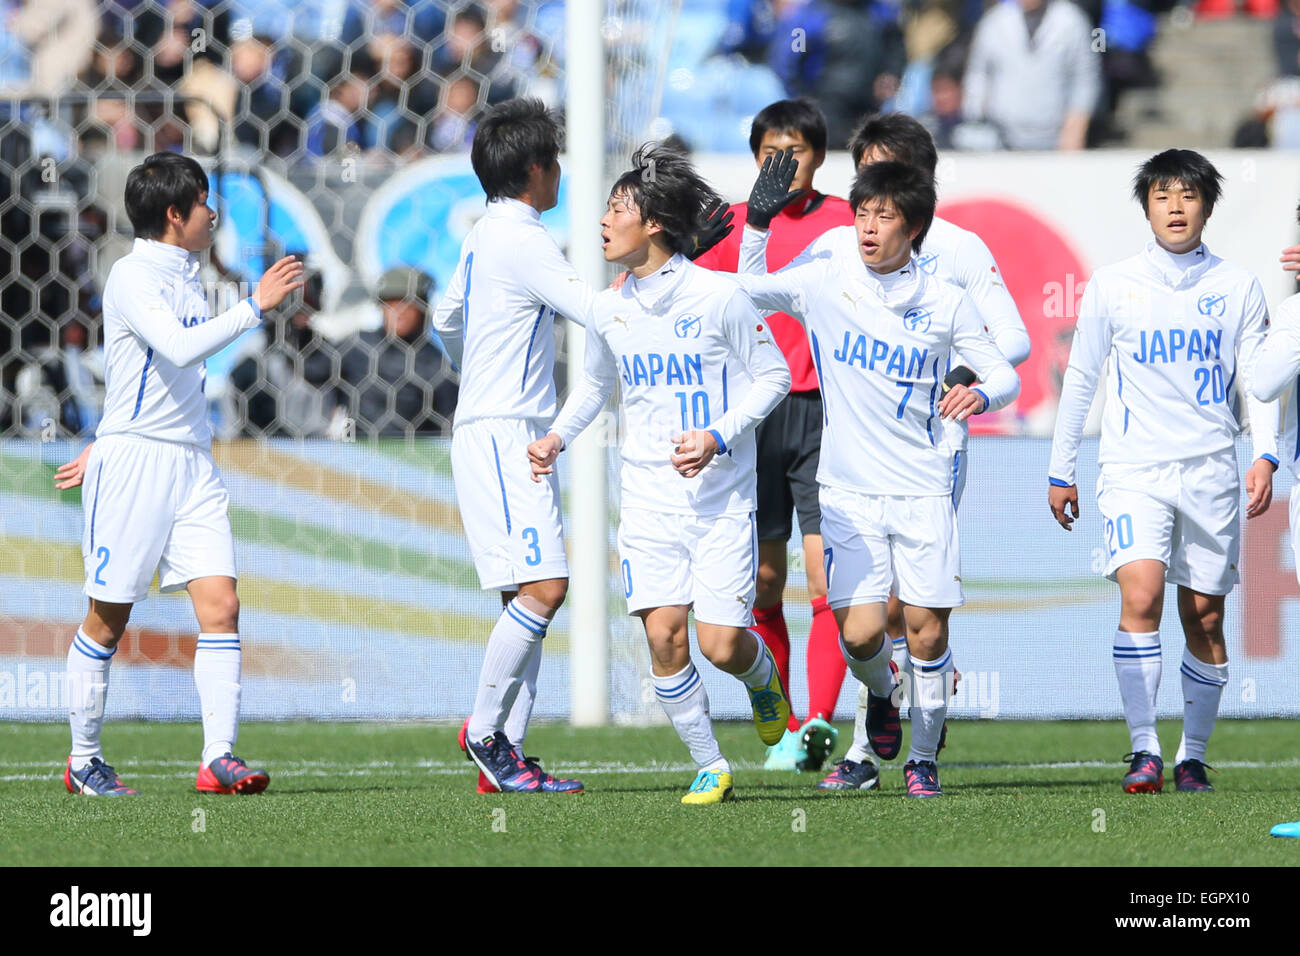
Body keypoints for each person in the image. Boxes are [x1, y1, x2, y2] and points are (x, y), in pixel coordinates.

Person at [738, 113, 1030, 791]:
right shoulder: (831, 261)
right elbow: (750, 288)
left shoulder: (951, 281)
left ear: (915, 214)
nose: (867, 220)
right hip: (846, 486)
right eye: (862, 201)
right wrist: (756, 224)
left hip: (925, 477)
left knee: (921, 625)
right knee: (865, 631)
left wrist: (976, 389)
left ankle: (916, 759)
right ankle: (884, 702)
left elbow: (1008, 360)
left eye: (883, 208)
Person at [527, 144, 792, 804]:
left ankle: (761, 680)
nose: (603, 221)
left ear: (655, 223)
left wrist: (717, 436)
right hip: (646, 497)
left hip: (721, 500)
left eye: (618, 207)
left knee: (723, 644)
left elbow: (776, 376)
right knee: (664, 636)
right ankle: (711, 765)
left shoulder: (719, 297)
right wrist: (557, 437)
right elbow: (594, 385)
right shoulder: (607, 309)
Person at [52, 151, 304, 796]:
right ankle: (83, 761)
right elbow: (181, 348)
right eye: (203, 202)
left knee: (221, 605)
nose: (212, 212)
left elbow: (151, 377)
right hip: (136, 465)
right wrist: (257, 304)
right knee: (107, 618)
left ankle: (218, 757)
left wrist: (109, 433)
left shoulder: (187, 274)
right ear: (174, 214)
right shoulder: (134, 276)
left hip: (191, 461)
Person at [1048, 149, 1278, 794]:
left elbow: (1259, 384)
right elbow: (1082, 379)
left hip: (1211, 469)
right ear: (1145, 205)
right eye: (1162, 196)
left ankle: (1192, 755)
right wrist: (1060, 468)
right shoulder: (1112, 283)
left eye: (1188, 196)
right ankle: (1145, 750)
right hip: (1133, 469)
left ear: (1207, 204)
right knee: (1141, 596)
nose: (1175, 208)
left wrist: (1264, 455)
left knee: (1204, 615)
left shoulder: (1237, 287)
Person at [692, 98, 853, 774]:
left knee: (826, 576)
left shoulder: (848, 223)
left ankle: (820, 720)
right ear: (754, 156)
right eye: (770, 153)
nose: (782, 166)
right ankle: (783, 725)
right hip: (752, 417)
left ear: (818, 157)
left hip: (823, 412)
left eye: (796, 152)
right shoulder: (728, 225)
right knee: (761, 579)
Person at [962, 0, 1101, 150]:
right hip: (1000, 139)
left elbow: (1086, 79)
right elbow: (978, 75)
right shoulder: (994, 21)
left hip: (1056, 139)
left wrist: (1075, 130)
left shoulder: (1072, 21)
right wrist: (977, 119)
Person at [337, 265, 458, 437]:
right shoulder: (358, 346)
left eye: (406, 303)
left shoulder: (438, 366)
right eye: (390, 303)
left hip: (407, 460)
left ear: (422, 307)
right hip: (351, 457)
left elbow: (449, 433)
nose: (398, 312)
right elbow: (309, 372)